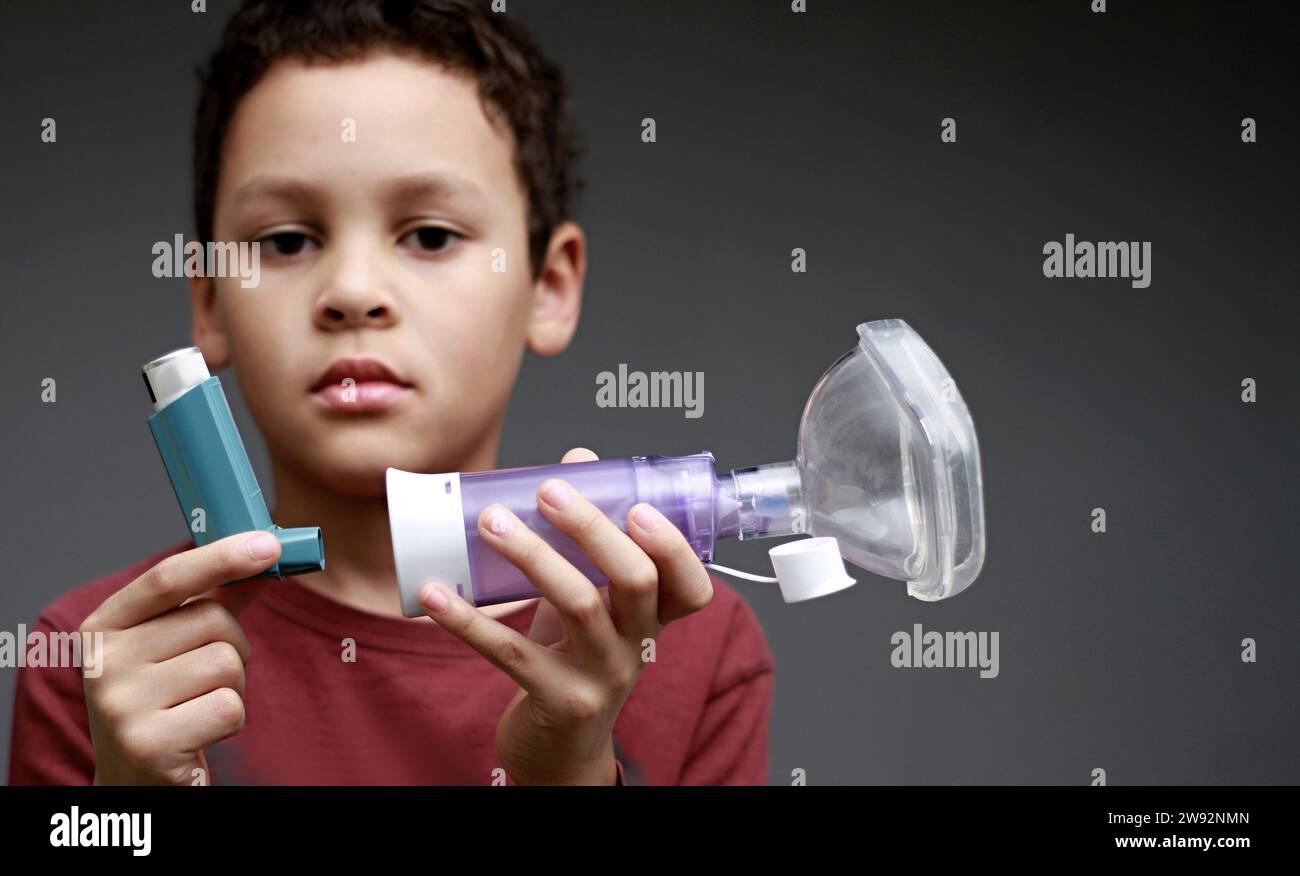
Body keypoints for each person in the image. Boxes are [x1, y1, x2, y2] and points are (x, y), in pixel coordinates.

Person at [8, 0, 773, 786]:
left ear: (548, 283)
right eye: (285, 242)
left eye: (431, 235)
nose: (353, 292)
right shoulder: (101, 661)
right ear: (209, 300)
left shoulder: (691, 644)